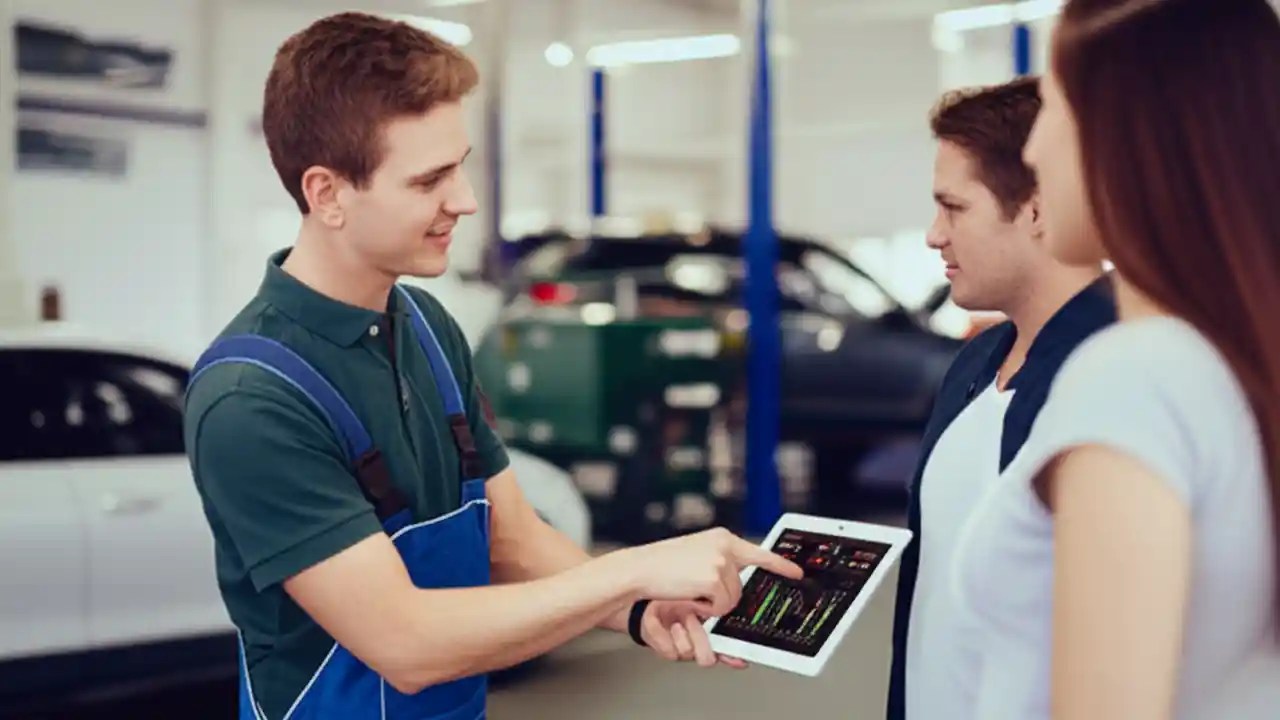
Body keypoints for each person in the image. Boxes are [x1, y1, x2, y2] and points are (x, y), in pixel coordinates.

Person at [182, 13, 801, 720]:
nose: (466, 200)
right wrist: (633, 567)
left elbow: (514, 540)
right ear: (327, 194)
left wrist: (635, 609)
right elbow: (406, 644)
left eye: (462, 164)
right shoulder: (251, 398)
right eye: (430, 179)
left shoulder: (427, 327)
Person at [943, 0, 1280, 718]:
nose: (1033, 156)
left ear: (1126, 136)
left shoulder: (1134, 377)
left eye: (1055, 112)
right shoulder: (1233, 363)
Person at [886, 77, 1115, 720]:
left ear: (1036, 208)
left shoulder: (1113, 379)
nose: (935, 235)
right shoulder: (974, 363)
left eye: (953, 208)